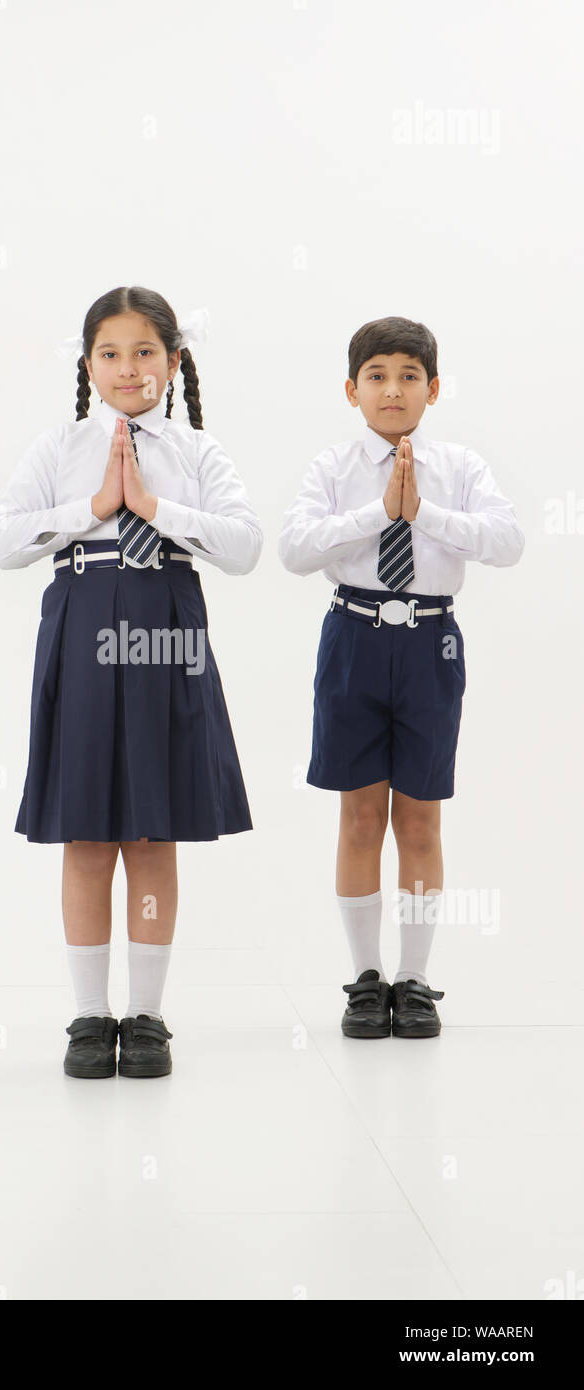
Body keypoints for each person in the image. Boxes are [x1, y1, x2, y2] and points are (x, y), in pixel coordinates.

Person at [0, 286, 261, 1078]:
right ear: (87, 364)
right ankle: (86, 1016)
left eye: (145, 352)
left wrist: (154, 507)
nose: (127, 368)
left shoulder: (197, 452)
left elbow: (243, 548)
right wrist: (94, 506)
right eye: (109, 353)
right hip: (79, 623)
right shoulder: (59, 446)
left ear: (173, 361)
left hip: (164, 623)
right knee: (85, 828)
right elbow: (4, 541)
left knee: (151, 825)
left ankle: (145, 1015)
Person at [278, 316, 524, 1039]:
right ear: (351, 390)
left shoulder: (460, 469)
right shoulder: (332, 469)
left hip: (429, 643)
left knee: (419, 814)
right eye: (377, 376)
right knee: (359, 813)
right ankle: (364, 979)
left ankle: (414, 979)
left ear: (434, 388)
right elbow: (294, 548)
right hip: (352, 636)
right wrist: (377, 513)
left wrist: (424, 513)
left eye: (409, 376)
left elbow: (506, 540)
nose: (393, 389)